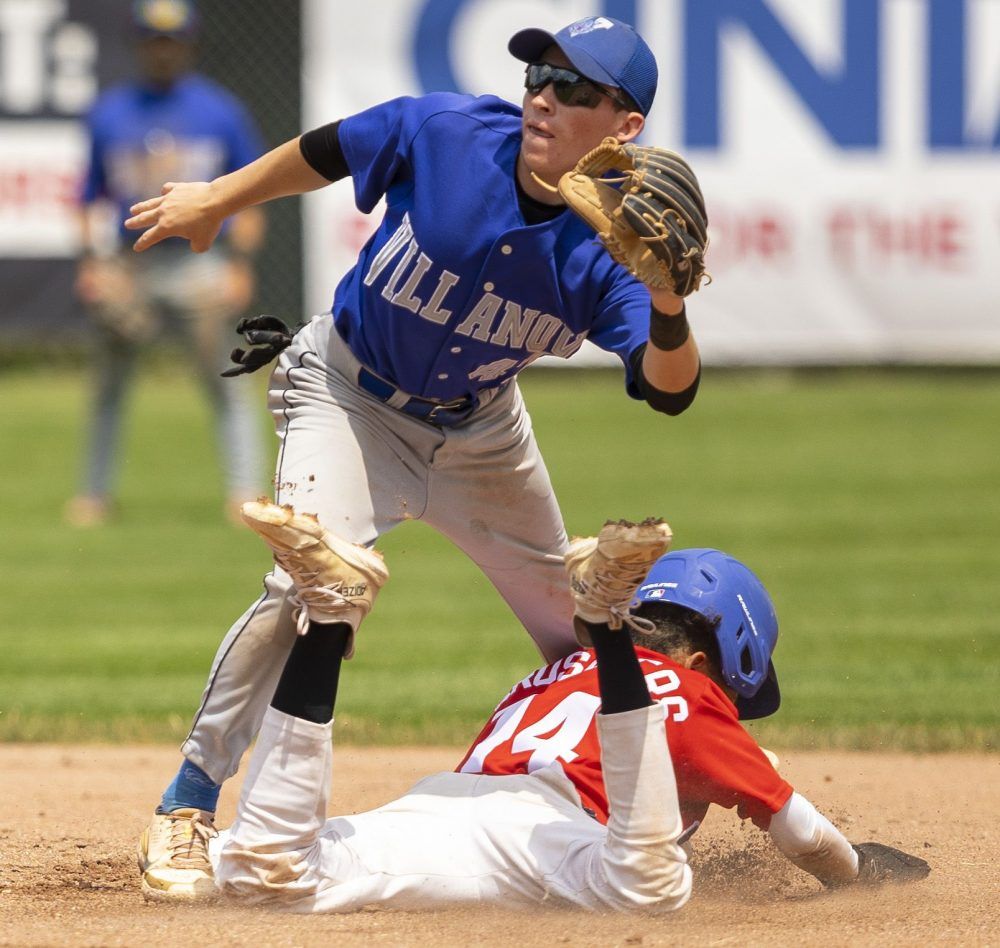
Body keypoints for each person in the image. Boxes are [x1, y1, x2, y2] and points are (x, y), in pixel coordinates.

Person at [127, 16, 704, 897]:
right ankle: (188, 805)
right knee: (304, 588)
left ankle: (643, 808)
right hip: (347, 392)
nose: (544, 96)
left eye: (575, 88)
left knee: (583, 626)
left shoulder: (616, 247)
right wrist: (218, 200)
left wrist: (667, 301)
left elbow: (671, 390)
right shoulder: (451, 133)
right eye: (539, 75)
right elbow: (331, 147)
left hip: (483, 435)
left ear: (625, 124)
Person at [140, 504, 929, 909]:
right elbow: (799, 829)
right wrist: (855, 870)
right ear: (702, 660)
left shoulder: (547, 678)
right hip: (542, 838)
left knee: (261, 870)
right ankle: (607, 621)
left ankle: (330, 617)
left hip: (442, 806)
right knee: (653, 892)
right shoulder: (688, 686)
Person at [67, 0, 267, 527]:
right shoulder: (109, 111)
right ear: (138, 44)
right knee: (108, 384)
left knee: (224, 378)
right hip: (128, 264)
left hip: (197, 261)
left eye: (171, 40)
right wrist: (91, 261)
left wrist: (238, 264)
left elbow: (251, 195)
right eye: (154, 41)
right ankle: (94, 494)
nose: (163, 50)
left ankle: (244, 493)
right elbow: (88, 196)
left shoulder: (219, 110)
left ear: (188, 44)